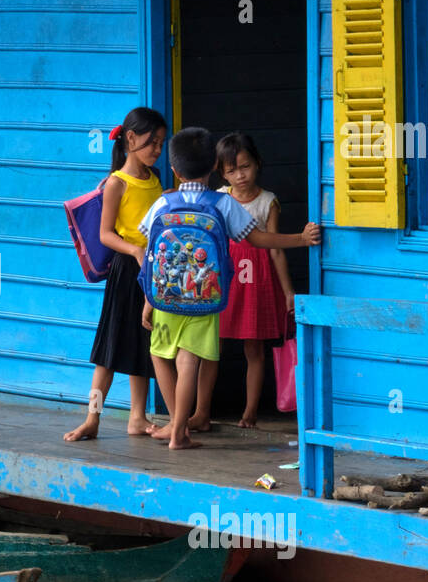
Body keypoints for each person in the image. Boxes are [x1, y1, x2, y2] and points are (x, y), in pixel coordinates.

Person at [139, 127, 320, 450]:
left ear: (176, 171)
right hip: (206, 299)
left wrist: (148, 298)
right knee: (189, 360)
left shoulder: (163, 203)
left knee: (158, 354)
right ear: (213, 168)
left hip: (166, 296)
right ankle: (179, 431)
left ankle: (174, 423)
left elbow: (152, 253)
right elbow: (259, 239)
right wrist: (301, 239)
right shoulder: (222, 203)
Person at [63, 107, 167, 442]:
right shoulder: (116, 184)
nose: (157, 150)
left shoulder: (155, 180)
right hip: (127, 271)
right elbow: (106, 234)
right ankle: (92, 417)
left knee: (142, 342)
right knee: (109, 349)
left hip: (151, 270)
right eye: (152, 142)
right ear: (131, 139)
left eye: (162, 144)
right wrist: (135, 250)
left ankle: (138, 417)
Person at [206, 132, 297, 428]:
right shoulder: (219, 198)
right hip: (225, 280)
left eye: (244, 167)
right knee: (210, 344)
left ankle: (250, 412)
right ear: (222, 172)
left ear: (257, 163)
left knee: (253, 348)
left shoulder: (267, 202)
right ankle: (200, 410)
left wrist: (288, 292)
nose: (239, 175)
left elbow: (275, 250)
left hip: (256, 282)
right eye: (231, 170)